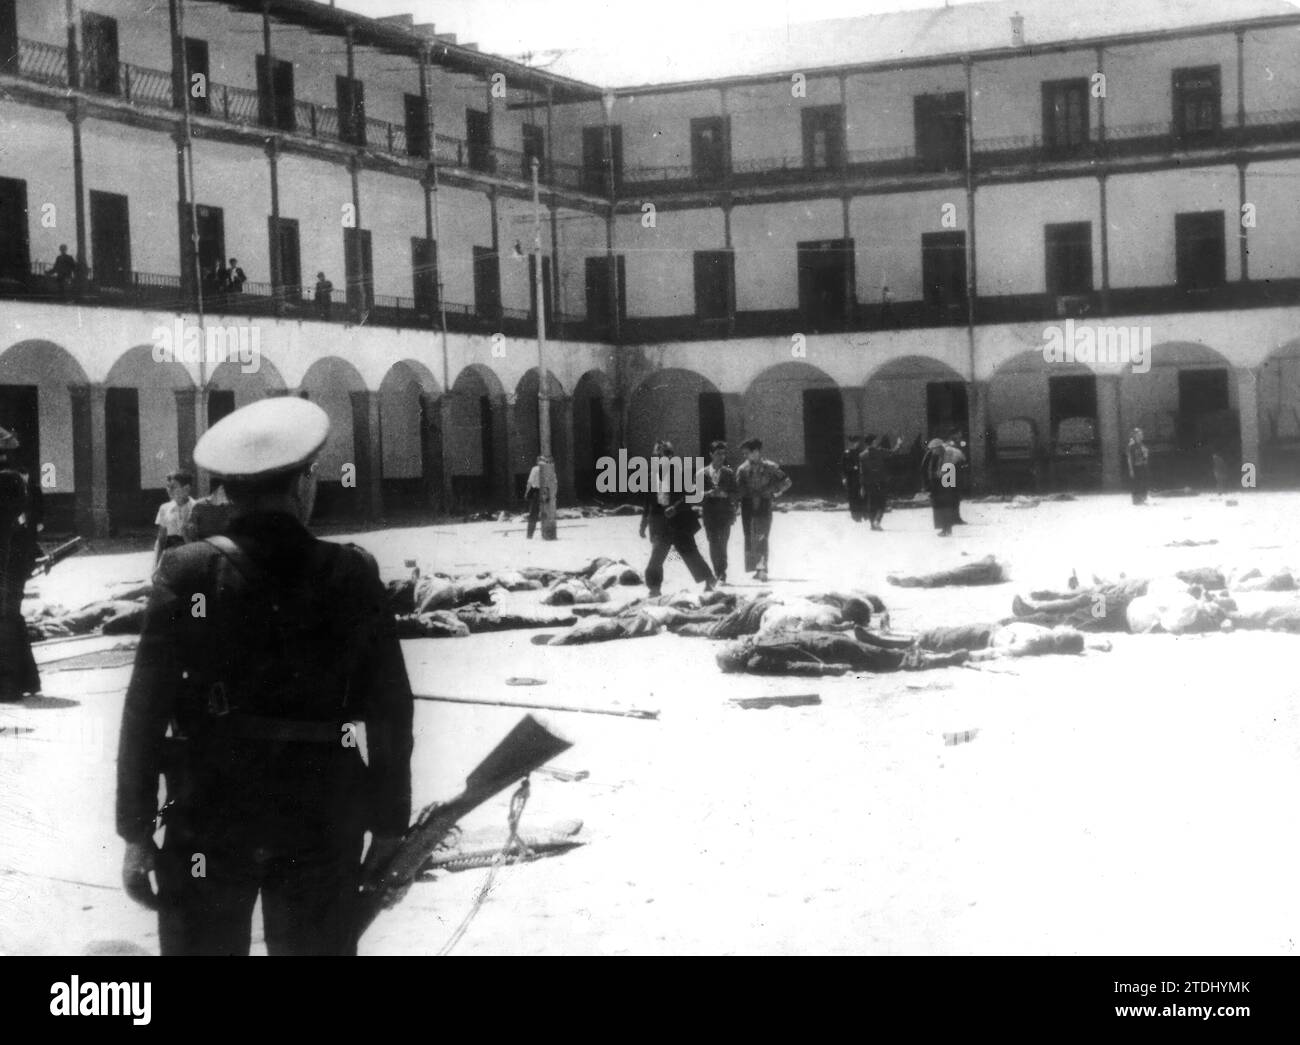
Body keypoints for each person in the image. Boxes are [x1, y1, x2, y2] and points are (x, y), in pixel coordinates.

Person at [116, 397, 414, 956]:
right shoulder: (351, 572)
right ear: (304, 485)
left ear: (227, 493)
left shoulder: (187, 569)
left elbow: (145, 709)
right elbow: (391, 709)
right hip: (322, 816)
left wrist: (135, 831)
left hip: (209, 812)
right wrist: (390, 823)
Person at [638, 440, 714, 597]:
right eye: (656, 455)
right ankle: (654, 587)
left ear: (671, 456)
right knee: (656, 557)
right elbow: (648, 502)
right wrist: (643, 523)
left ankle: (708, 579)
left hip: (680, 522)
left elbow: (690, 495)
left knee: (690, 554)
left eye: (663, 455)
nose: (659, 458)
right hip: (660, 523)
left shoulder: (681, 474)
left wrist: (676, 507)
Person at [0, 429, 41, 702]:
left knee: (6, 620)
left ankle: (10, 685)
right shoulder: (17, 478)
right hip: (15, 562)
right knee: (10, 618)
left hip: (6, 563)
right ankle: (25, 680)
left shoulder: (7, 480)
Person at [735, 437, 791, 582]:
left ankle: (762, 568)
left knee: (762, 535)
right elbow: (737, 489)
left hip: (764, 503)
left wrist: (775, 493)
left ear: (756, 451)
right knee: (749, 536)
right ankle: (755, 568)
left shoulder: (771, 466)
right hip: (747, 505)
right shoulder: (742, 469)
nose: (745, 456)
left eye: (747, 452)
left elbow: (787, 482)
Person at [700, 440, 737, 583]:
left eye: (723, 454)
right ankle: (718, 571)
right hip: (710, 514)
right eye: (717, 454)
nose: (721, 457)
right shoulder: (702, 474)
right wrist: (708, 493)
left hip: (725, 514)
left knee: (723, 543)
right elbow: (695, 495)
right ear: (711, 454)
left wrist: (726, 494)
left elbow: (736, 493)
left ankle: (722, 571)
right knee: (713, 542)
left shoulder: (729, 473)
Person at [922, 437, 963, 537]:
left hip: (946, 486)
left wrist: (937, 475)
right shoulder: (940, 455)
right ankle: (946, 529)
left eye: (933, 449)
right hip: (944, 485)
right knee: (943, 506)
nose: (933, 452)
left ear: (938, 448)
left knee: (943, 506)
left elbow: (946, 473)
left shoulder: (947, 455)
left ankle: (946, 529)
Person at [153, 470, 195, 566]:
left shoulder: (196, 508)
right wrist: (155, 565)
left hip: (191, 557)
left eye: (173, 487)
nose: (169, 490)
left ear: (186, 489)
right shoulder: (164, 508)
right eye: (168, 486)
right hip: (171, 559)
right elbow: (161, 539)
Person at [859, 434, 898, 530]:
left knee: (872, 503)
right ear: (873, 442)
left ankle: (872, 524)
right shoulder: (879, 451)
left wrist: (862, 486)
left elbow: (861, 472)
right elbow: (892, 452)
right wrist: (898, 444)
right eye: (875, 441)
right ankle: (877, 521)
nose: (876, 442)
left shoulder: (862, 455)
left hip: (869, 482)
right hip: (881, 481)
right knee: (881, 502)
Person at [842, 435, 866, 522]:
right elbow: (843, 466)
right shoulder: (846, 453)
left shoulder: (860, 452)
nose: (855, 444)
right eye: (854, 442)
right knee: (852, 496)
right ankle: (855, 515)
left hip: (858, 477)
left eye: (857, 442)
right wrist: (844, 477)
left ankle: (861, 514)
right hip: (850, 477)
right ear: (851, 443)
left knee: (860, 496)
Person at [1126, 427, 1150, 506]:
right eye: (1139, 434)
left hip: (1143, 466)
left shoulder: (1142, 445)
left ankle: (1143, 499)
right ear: (1135, 435)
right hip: (1136, 467)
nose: (1141, 435)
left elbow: (1145, 455)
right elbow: (1129, 458)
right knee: (1136, 484)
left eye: (1141, 434)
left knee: (1143, 483)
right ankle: (1136, 500)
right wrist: (1131, 470)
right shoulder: (1132, 445)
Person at [524, 456, 543, 539]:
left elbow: (530, 482)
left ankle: (530, 534)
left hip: (537, 492)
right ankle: (546, 533)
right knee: (545, 512)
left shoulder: (535, 469)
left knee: (533, 514)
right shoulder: (548, 469)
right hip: (546, 491)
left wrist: (526, 492)